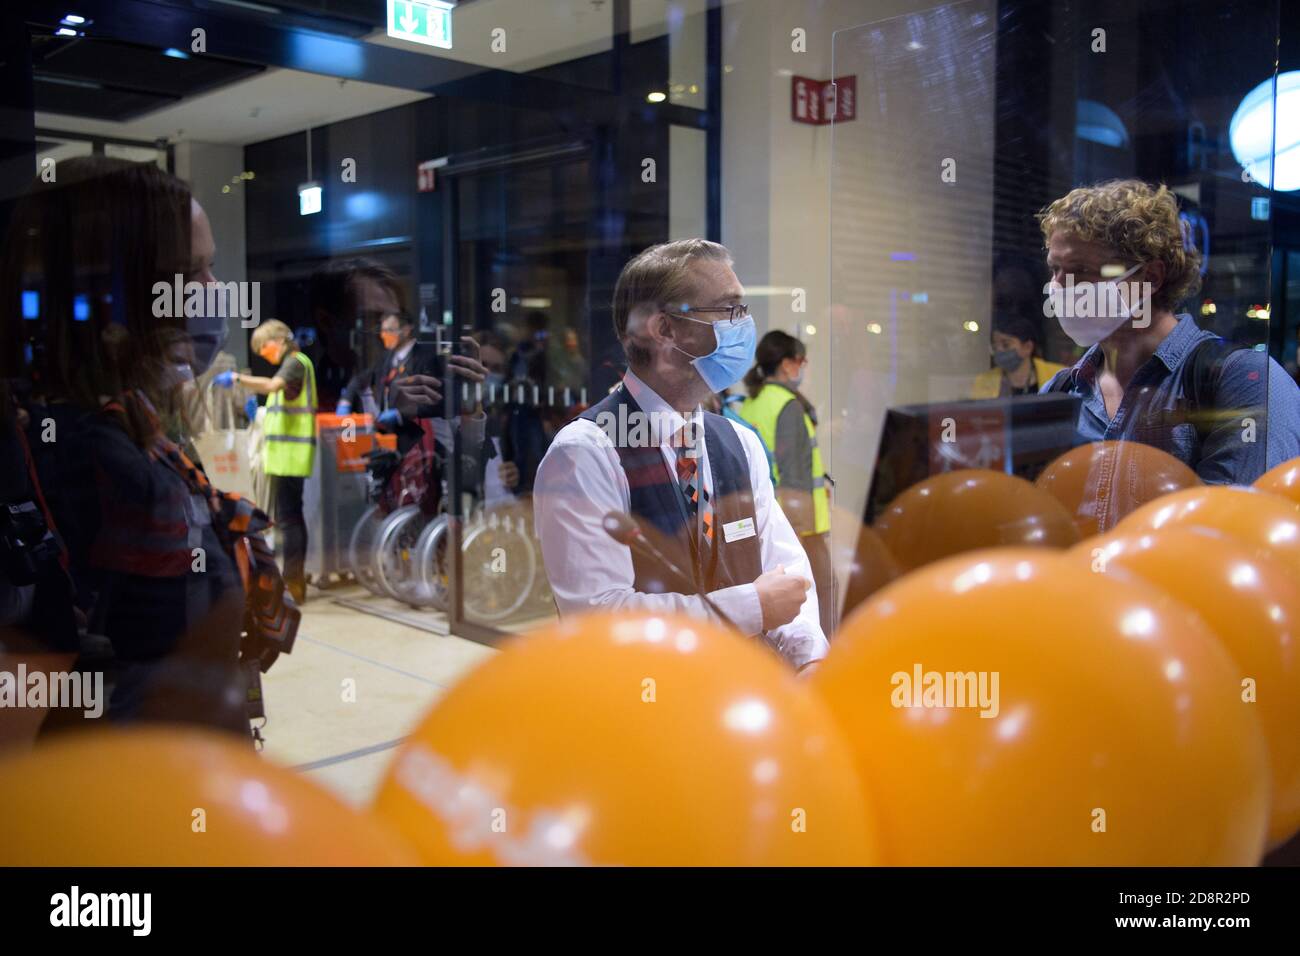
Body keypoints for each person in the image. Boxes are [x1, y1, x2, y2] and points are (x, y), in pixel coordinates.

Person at [0, 156, 251, 736]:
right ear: (120, 292)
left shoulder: (132, 428)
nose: (214, 293)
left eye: (212, 269)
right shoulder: (88, 453)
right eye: (192, 273)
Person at [533, 239, 827, 670]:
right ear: (665, 330)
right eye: (729, 311)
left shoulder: (737, 443)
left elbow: (787, 577)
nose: (743, 325)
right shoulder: (585, 454)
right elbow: (599, 618)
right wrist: (749, 607)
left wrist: (808, 663)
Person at [1038, 179, 1300, 484]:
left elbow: (1233, 523)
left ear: (1150, 276)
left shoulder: (1243, 380)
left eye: (1080, 269)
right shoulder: (1060, 391)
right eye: (1054, 269)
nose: (1058, 286)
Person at [738, 331, 835, 637]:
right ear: (786, 364)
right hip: (800, 528)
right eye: (800, 361)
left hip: (769, 524)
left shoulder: (752, 403)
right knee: (818, 598)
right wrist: (800, 538)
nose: (804, 367)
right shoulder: (788, 406)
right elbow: (793, 476)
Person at [217, 319, 317, 602]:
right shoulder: (292, 365)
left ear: (279, 340)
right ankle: (293, 581)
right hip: (283, 458)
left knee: (290, 520)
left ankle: (294, 583)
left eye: (264, 347)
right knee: (288, 519)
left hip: (291, 457)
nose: (263, 353)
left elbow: (273, 386)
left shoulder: (295, 363)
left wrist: (236, 379)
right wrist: (257, 414)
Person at [970, 314, 1066, 399]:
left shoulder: (1058, 376)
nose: (999, 350)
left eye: (1006, 345)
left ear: (1027, 347)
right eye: (995, 346)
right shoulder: (983, 382)